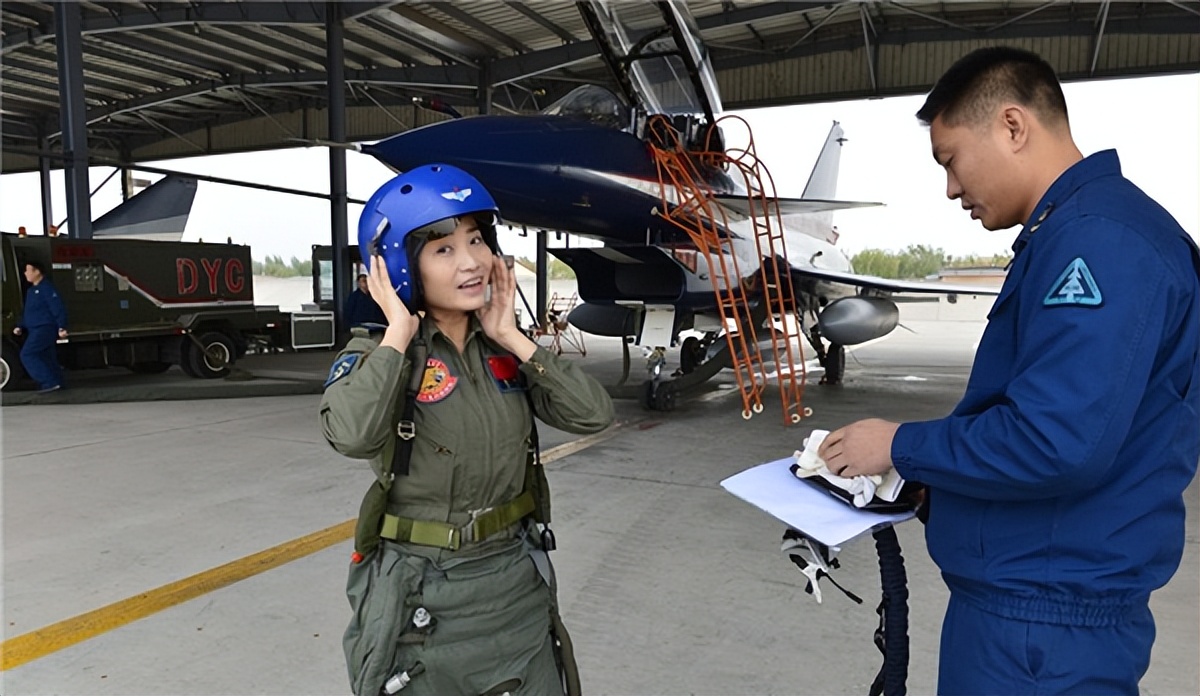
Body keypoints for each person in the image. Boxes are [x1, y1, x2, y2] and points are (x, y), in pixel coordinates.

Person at [817, 46, 1200, 695]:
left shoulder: (1099, 244)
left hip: (1040, 638)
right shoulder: (1073, 235)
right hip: (1031, 618)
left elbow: (1055, 441)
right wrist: (936, 488)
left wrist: (897, 444)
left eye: (951, 160)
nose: (951, 188)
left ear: (1013, 127)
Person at [320, 164, 614, 696]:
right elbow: (351, 435)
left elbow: (593, 415)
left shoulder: (505, 348)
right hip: (423, 593)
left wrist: (514, 338)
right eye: (444, 249)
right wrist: (397, 337)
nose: (474, 261)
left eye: (477, 240)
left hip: (513, 584)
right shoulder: (379, 356)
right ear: (398, 267)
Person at [13, 260, 69, 392]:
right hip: (35, 329)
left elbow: (57, 307)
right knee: (46, 357)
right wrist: (20, 325)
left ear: (37, 271)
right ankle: (58, 383)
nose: (25, 273)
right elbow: (29, 311)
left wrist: (62, 326)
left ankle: (48, 382)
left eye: (28, 270)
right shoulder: (32, 291)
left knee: (27, 354)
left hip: (44, 328)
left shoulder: (47, 288)